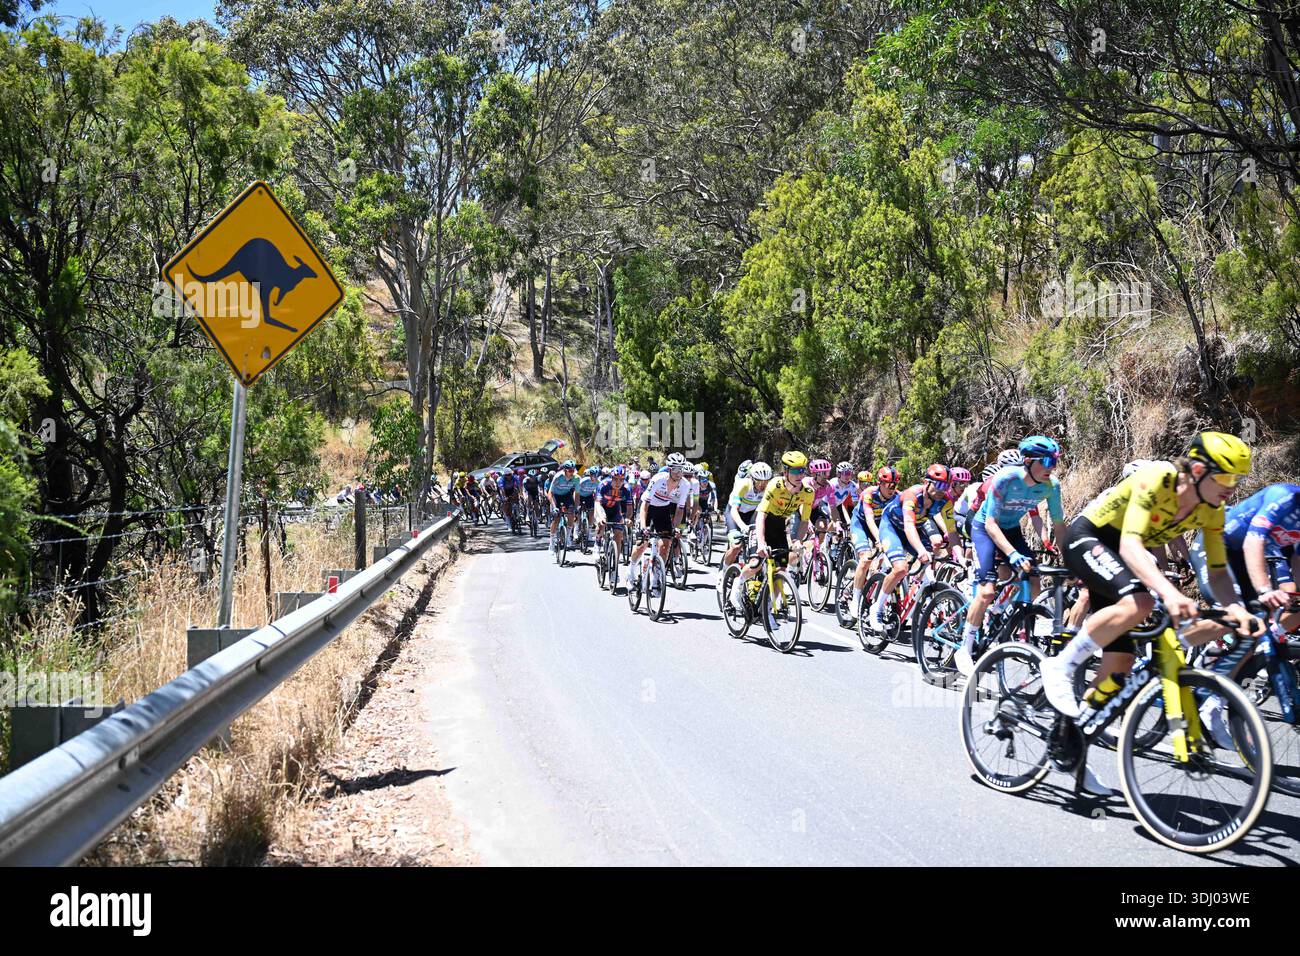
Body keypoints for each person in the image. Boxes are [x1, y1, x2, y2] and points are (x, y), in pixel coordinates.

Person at [1039, 433, 1258, 730]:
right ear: (1197, 470)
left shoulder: (1211, 511)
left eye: (1237, 480)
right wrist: (1170, 594)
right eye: (1226, 478)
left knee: (1120, 663)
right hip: (1090, 536)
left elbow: (1218, 572)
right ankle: (1060, 666)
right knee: (1140, 603)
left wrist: (1237, 608)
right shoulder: (1158, 477)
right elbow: (1130, 545)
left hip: (1119, 555)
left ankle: (1071, 741)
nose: (1231, 489)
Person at [956, 437, 1067, 676]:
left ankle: (1020, 625)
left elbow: (1059, 524)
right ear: (1028, 461)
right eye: (1047, 461)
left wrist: (1068, 557)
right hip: (984, 528)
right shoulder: (1005, 479)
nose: (1052, 467)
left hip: (1011, 529)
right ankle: (964, 648)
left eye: (1055, 462)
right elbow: (991, 523)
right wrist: (1012, 553)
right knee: (986, 590)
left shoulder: (1051, 485)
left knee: (1033, 575)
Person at [730, 452, 814, 615]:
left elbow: (804, 520)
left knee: (781, 570)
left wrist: (797, 540)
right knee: (756, 563)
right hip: (761, 521)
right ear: (785, 472)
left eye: (802, 470)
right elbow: (761, 514)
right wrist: (761, 543)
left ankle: (767, 608)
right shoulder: (775, 486)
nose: (800, 475)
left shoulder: (808, 492)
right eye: (795, 471)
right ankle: (738, 584)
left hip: (779, 525)